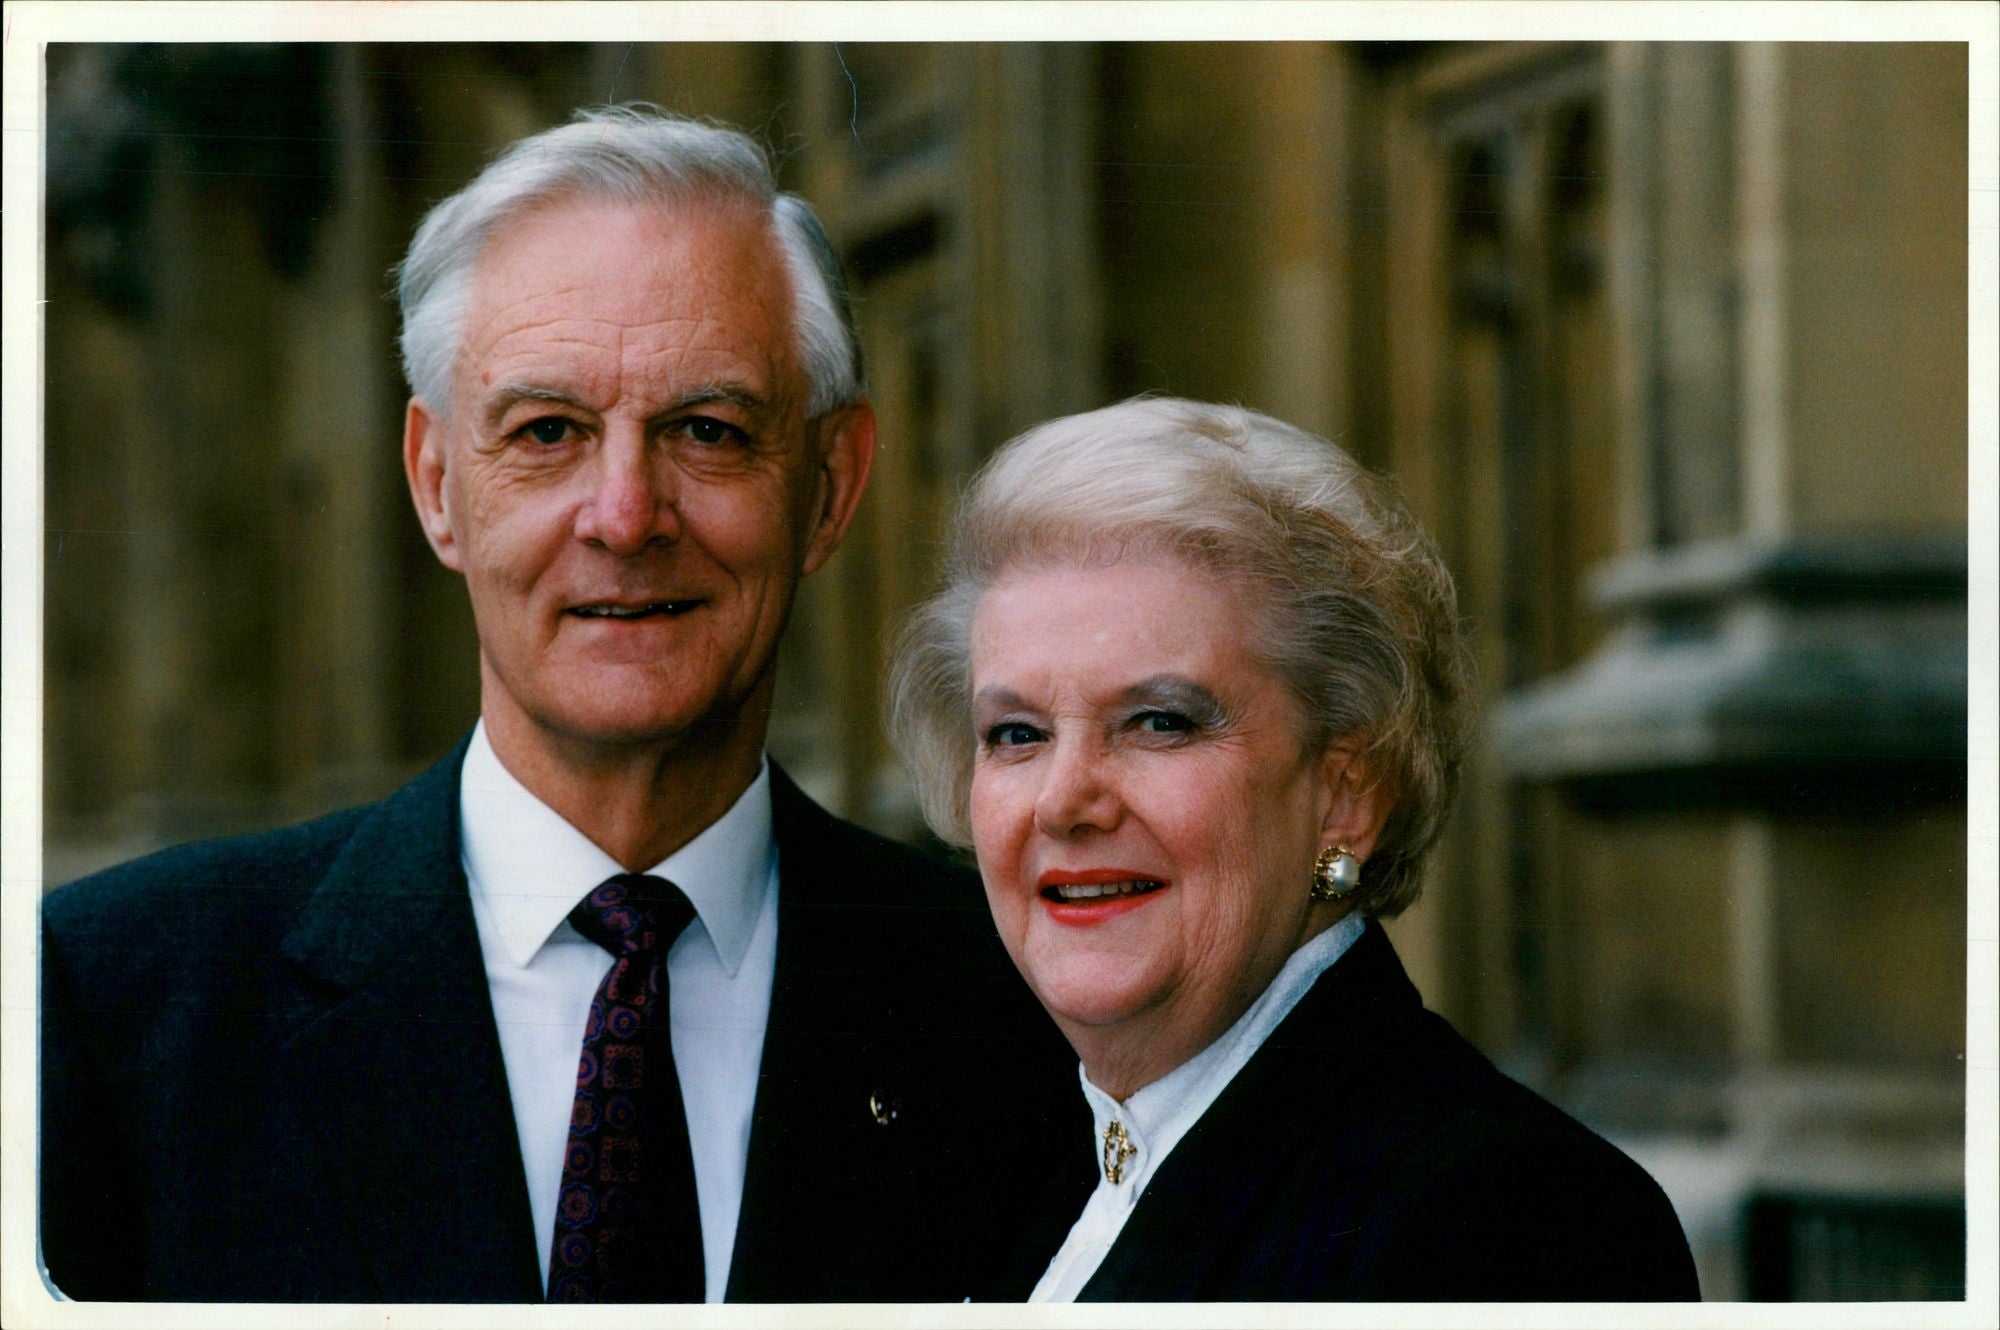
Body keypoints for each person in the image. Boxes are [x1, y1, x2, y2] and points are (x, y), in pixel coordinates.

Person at [38, 105, 1076, 1304]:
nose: (625, 515)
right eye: (547, 432)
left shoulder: (1029, 999)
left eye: (707, 429)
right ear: (437, 486)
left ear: (831, 487)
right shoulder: (121, 1003)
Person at [887, 397, 1702, 1301]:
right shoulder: (1012, 1167)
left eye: (1160, 721)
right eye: (1016, 734)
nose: (1064, 800)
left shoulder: (1508, 1221)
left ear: (1346, 794)